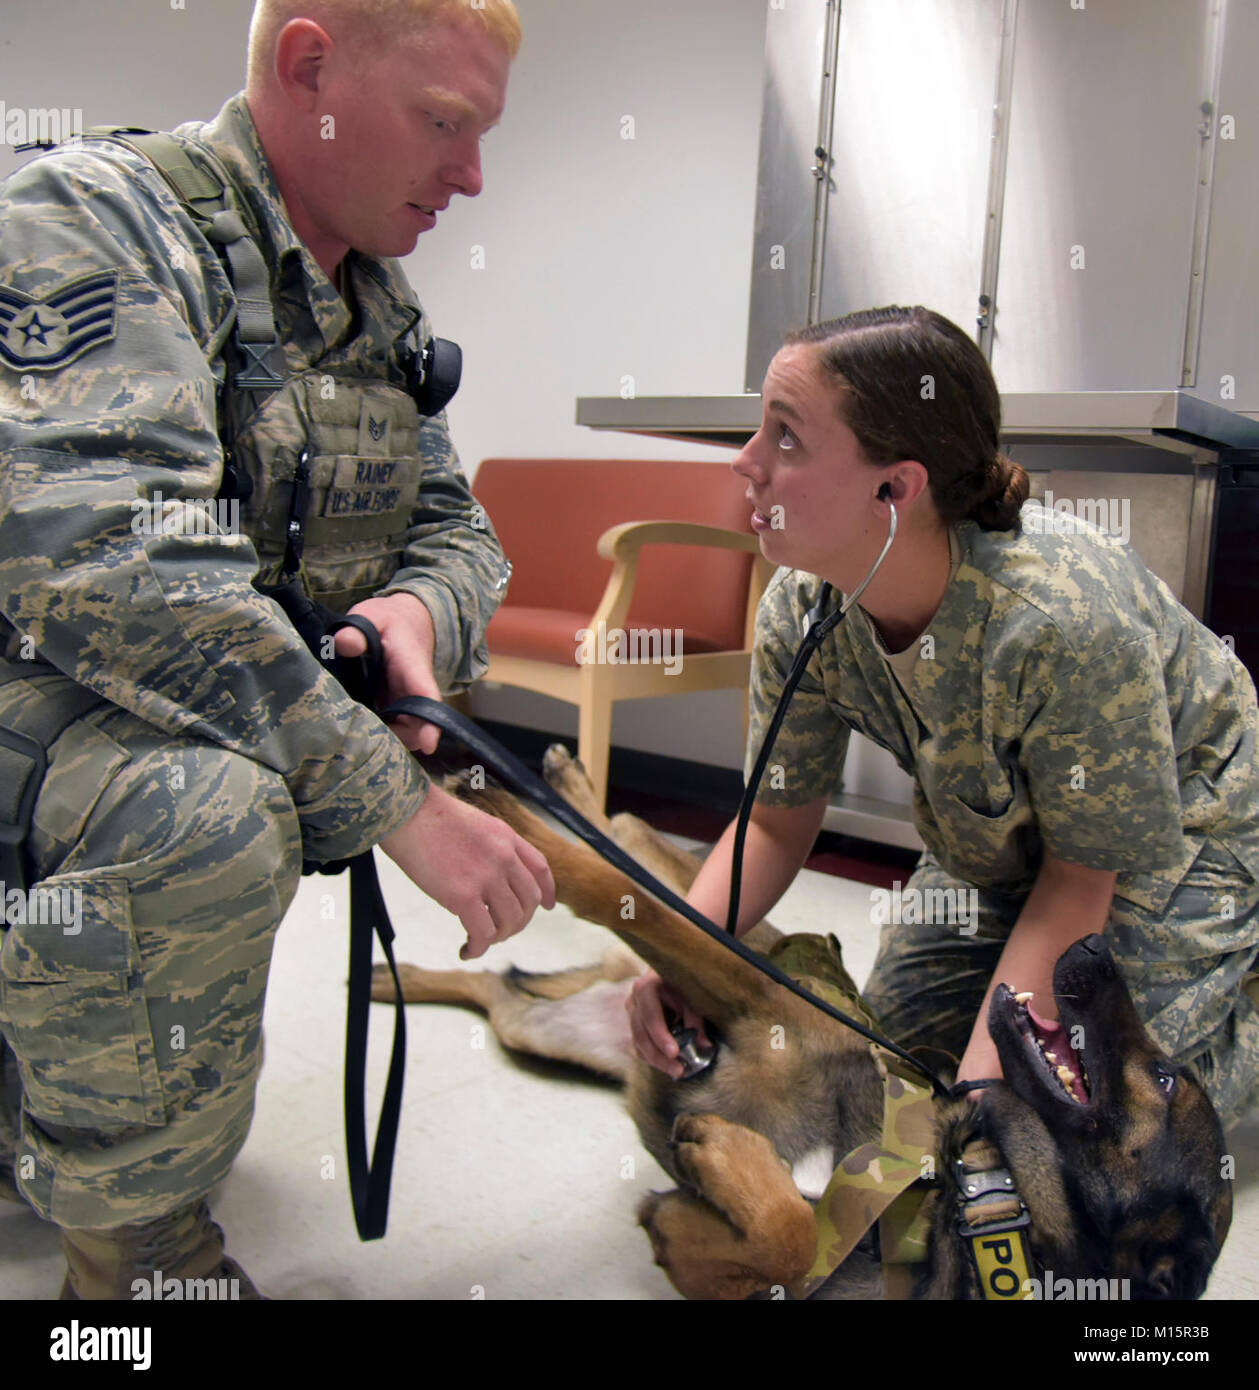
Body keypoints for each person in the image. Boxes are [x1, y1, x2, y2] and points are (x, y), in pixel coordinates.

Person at [0, 0, 554, 1299]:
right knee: (208, 807)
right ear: (308, 67)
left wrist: (413, 616)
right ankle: (132, 1283)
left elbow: (460, 533)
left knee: (218, 779)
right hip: (42, 725)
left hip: (108, 750)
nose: (470, 174)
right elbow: (117, 563)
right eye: (444, 124)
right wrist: (395, 800)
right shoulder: (89, 220)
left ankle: (87, 1113)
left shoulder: (372, 305)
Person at [628, 305, 1259, 1133]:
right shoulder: (801, 609)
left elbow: (1078, 881)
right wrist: (682, 956)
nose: (746, 462)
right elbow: (777, 825)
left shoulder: (1062, 622)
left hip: (1176, 837)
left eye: (785, 437)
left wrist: (984, 1104)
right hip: (1000, 846)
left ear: (895, 487)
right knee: (893, 1078)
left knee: (1097, 1119)